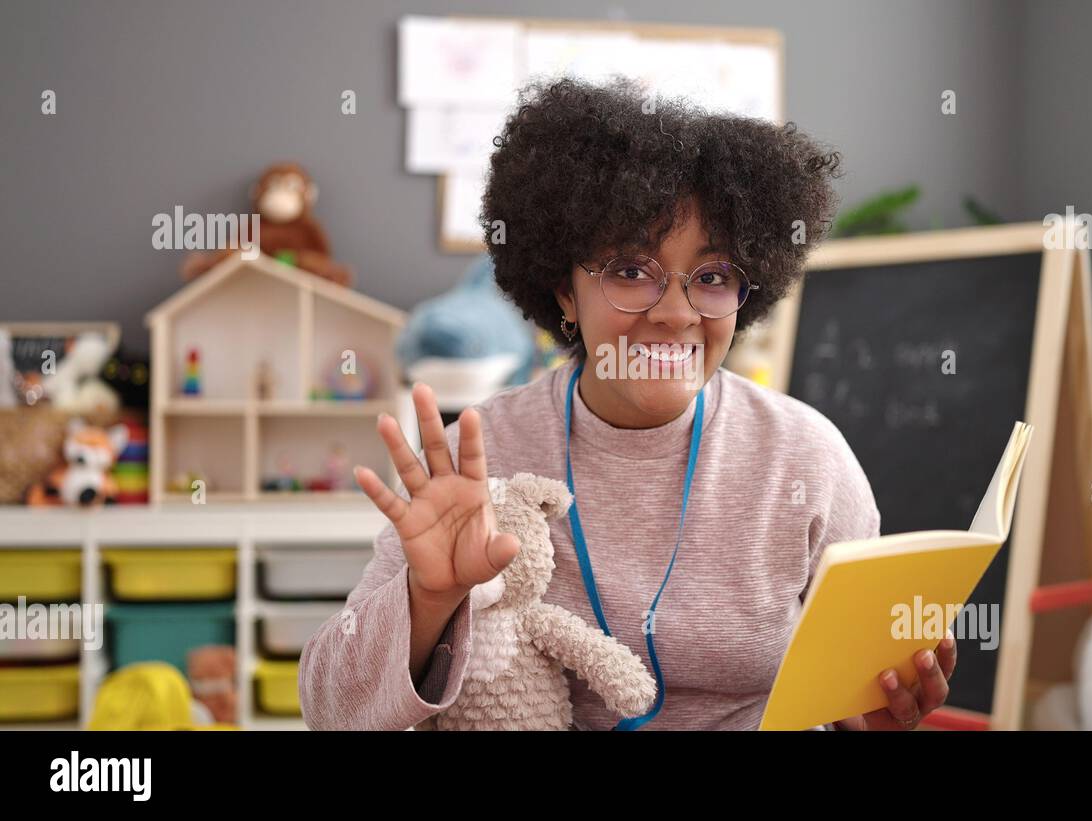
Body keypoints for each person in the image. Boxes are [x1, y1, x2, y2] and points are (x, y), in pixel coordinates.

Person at [300, 76, 956, 730]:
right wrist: (429, 597)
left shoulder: (807, 459)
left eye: (713, 276)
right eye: (630, 271)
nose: (675, 313)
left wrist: (882, 715)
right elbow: (331, 710)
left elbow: (852, 711)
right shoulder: (481, 455)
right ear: (563, 290)